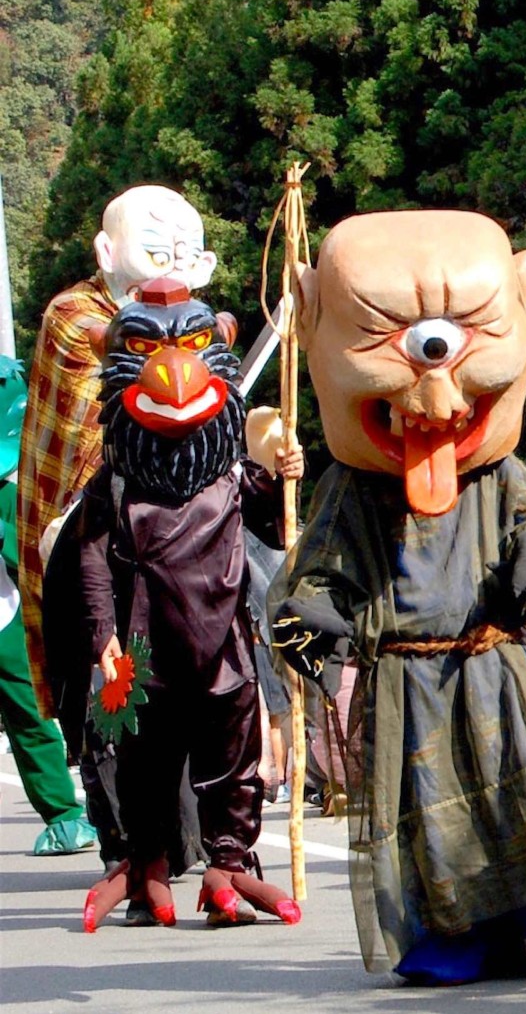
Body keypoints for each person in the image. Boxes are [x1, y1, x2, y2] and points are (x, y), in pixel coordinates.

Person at [274, 211, 526, 983]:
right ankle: (452, 942)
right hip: (405, 681)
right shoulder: (351, 490)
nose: (432, 387)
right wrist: (312, 618)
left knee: (520, 800)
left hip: (490, 669)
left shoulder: (496, 477)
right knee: (430, 815)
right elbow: (317, 575)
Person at [45, 278, 303, 930]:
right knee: (143, 764)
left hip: (225, 643)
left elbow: (275, 531)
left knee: (232, 761)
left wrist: (285, 479)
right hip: (141, 645)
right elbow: (90, 557)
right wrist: (102, 630)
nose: (174, 368)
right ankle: (147, 865)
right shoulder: (117, 480)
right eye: (145, 346)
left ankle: (230, 862)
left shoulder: (232, 472)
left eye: (191, 343)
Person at [0, 362, 96, 855]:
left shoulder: (18, 483)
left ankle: (65, 813)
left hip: (9, 614)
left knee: (28, 713)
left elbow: (30, 553)